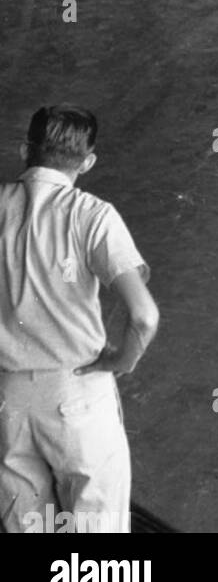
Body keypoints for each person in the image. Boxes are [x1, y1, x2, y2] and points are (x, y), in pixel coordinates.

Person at [0, 105, 159, 534]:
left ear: (23, 151)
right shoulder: (92, 215)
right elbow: (144, 315)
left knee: (25, 522)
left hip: (8, 400)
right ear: (87, 162)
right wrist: (121, 361)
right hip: (76, 393)